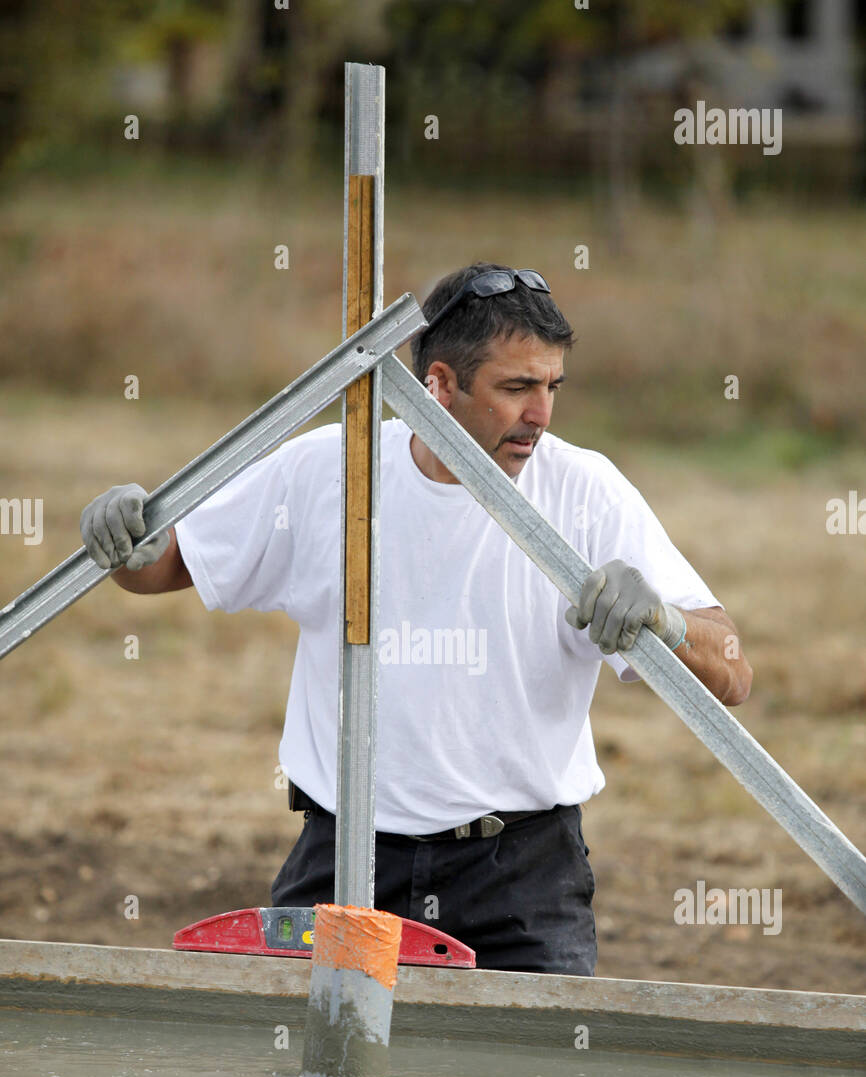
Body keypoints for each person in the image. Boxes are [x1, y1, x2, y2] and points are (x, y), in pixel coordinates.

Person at [80, 262, 752, 976]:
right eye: (516, 388)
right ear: (438, 384)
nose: (542, 415)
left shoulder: (585, 492)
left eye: (552, 386)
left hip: (520, 877)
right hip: (344, 864)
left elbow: (733, 670)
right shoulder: (332, 471)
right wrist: (127, 539)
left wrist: (665, 622)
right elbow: (170, 564)